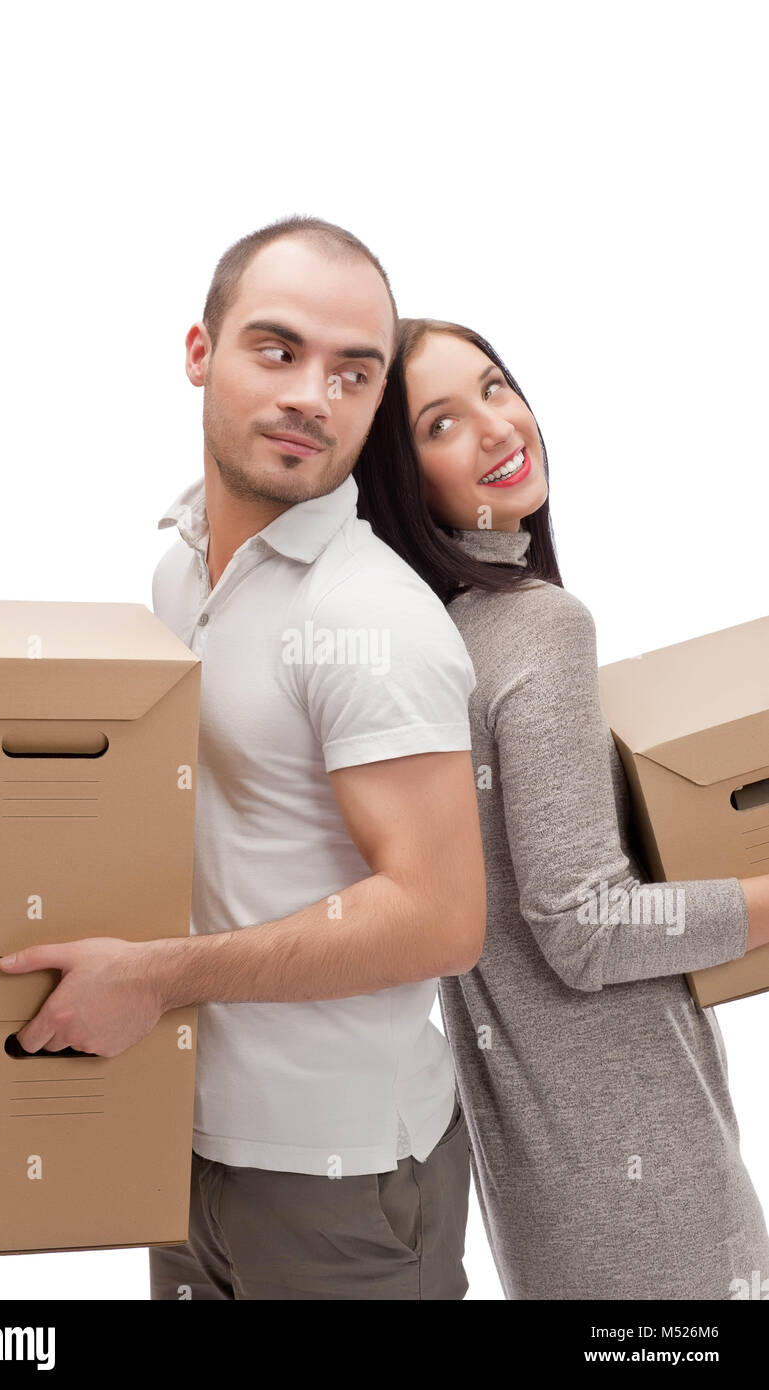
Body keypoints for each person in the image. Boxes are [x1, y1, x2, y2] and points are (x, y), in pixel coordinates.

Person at [0, 222, 486, 1300]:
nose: (314, 393)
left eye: (353, 373)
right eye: (278, 350)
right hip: (178, 1130)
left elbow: (442, 915)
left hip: (341, 1186)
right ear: (198, 351)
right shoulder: (179, 575)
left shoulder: (373, 617)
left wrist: (160, 976)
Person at [353, 316, 769, 1300]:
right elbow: (581, 926)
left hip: (540, 1177)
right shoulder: (537, 624)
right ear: (398, 481)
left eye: (497, 387)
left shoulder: (429, 644)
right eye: (442, 423)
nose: (499, 428)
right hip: (638, 1167)